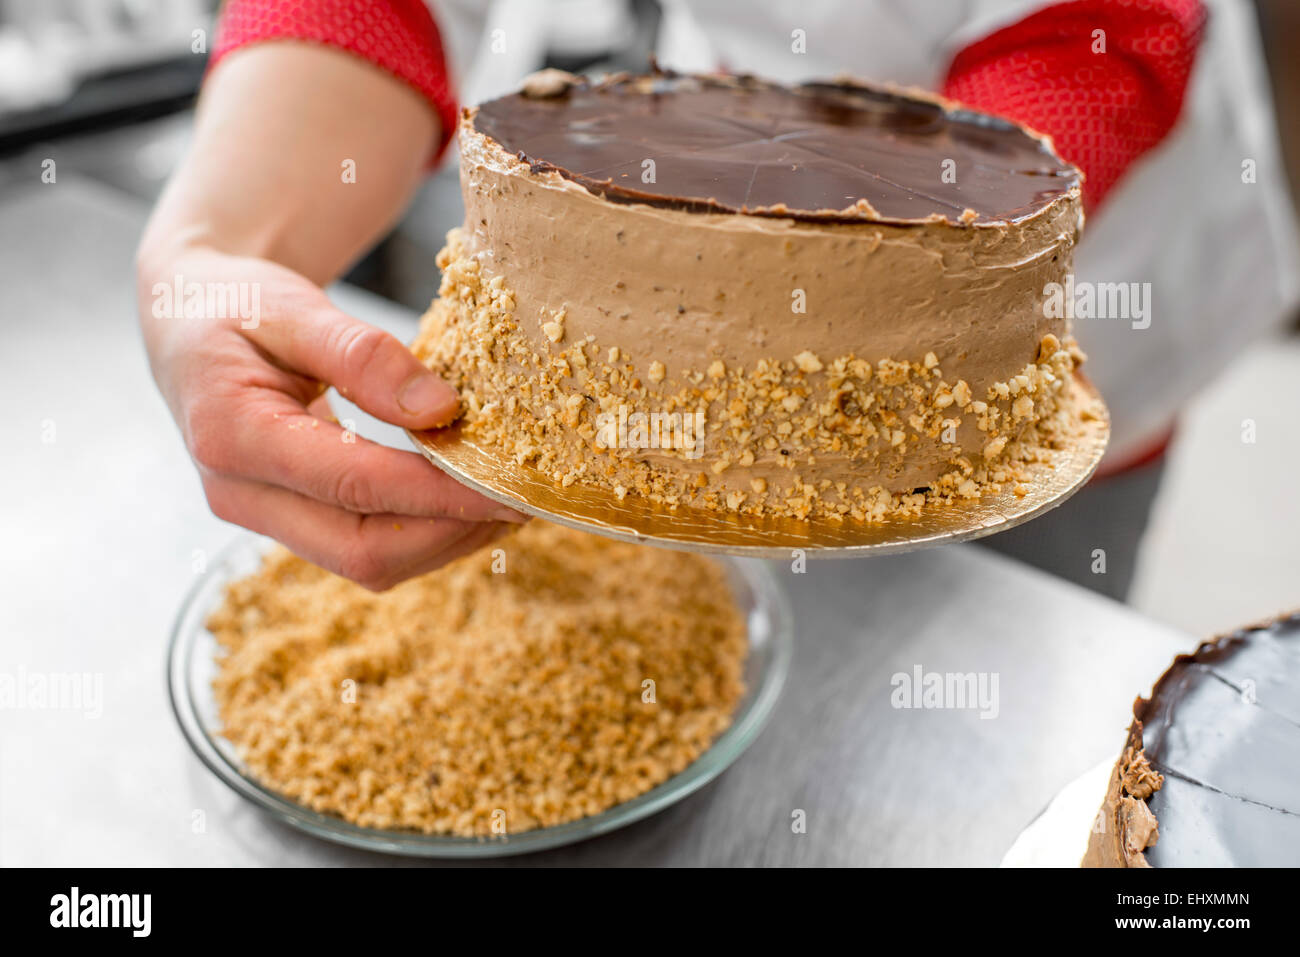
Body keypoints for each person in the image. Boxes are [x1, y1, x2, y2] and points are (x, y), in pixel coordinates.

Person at [137, 0, 1298, 595]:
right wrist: (222, 242)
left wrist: (867, 263)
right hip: (710, 202)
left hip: (1085, 292)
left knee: (1006, 646)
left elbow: (1097, 35)